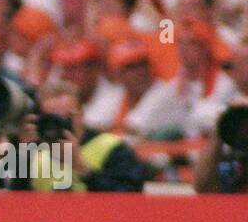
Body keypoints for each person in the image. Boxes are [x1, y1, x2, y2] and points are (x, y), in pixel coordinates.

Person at [10, 80, 147, 192]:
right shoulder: (32, 150)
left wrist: (82, 168)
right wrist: (23, 157)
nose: (60, 124)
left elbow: (129, 199)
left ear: (81, 115)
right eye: (52, 118)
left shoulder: (112, 148)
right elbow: (12, 201)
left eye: (67, 117)